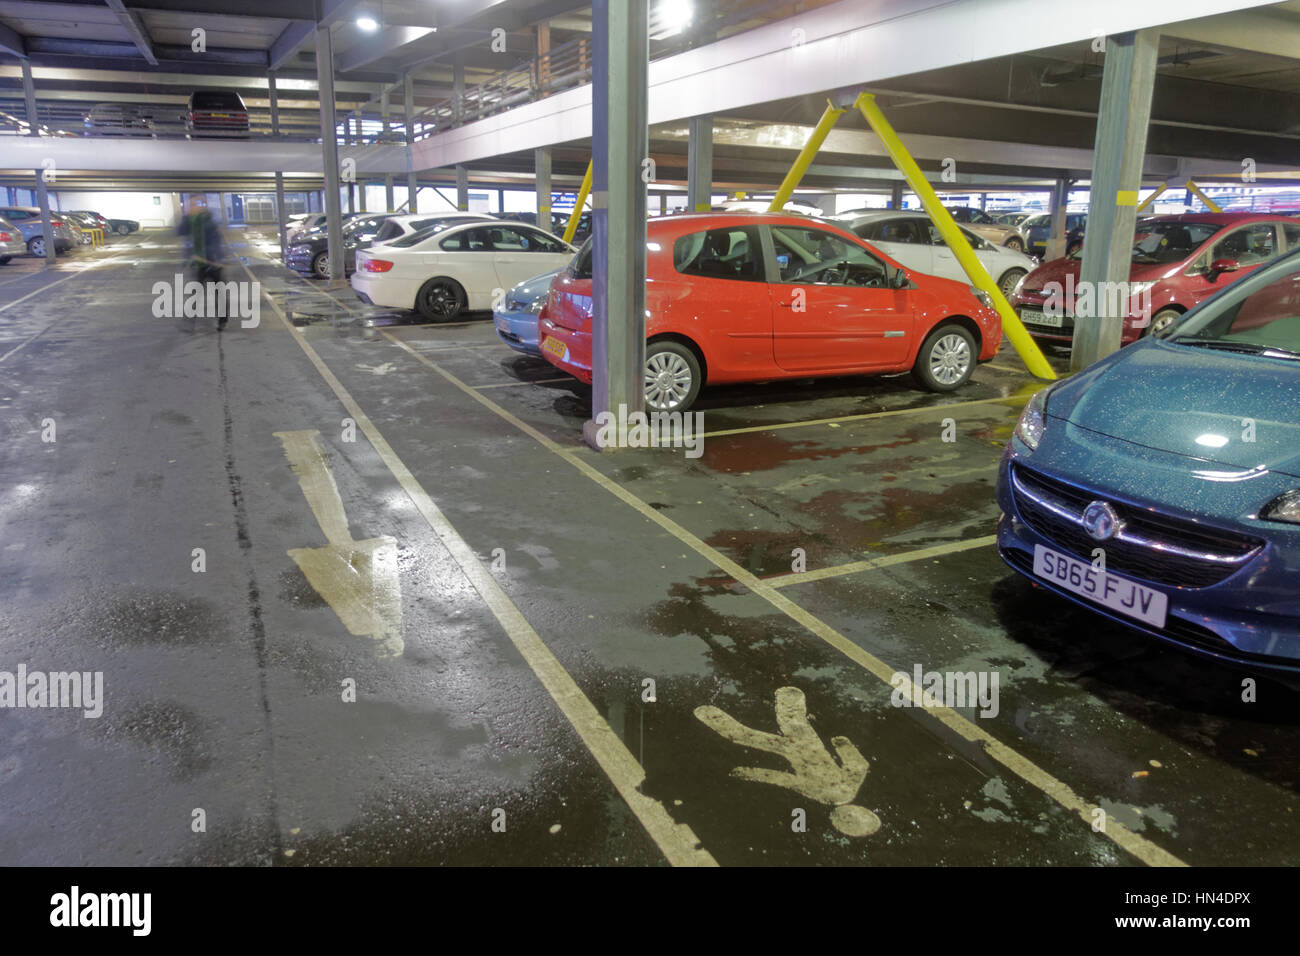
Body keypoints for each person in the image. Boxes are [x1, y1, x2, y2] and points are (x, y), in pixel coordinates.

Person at [176, 197, 227, 329]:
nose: (193, 207)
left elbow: (215, 241)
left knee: (219, 293)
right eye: (191, 205)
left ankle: (222, 321)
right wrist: (186, 217)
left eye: (195, 204)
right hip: (199, 264)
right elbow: (179, 231)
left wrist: (216, 259)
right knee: (196, 292)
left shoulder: (208, 221)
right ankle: (190, 322)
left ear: (202, 206)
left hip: (213, 263)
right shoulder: (190, 221)